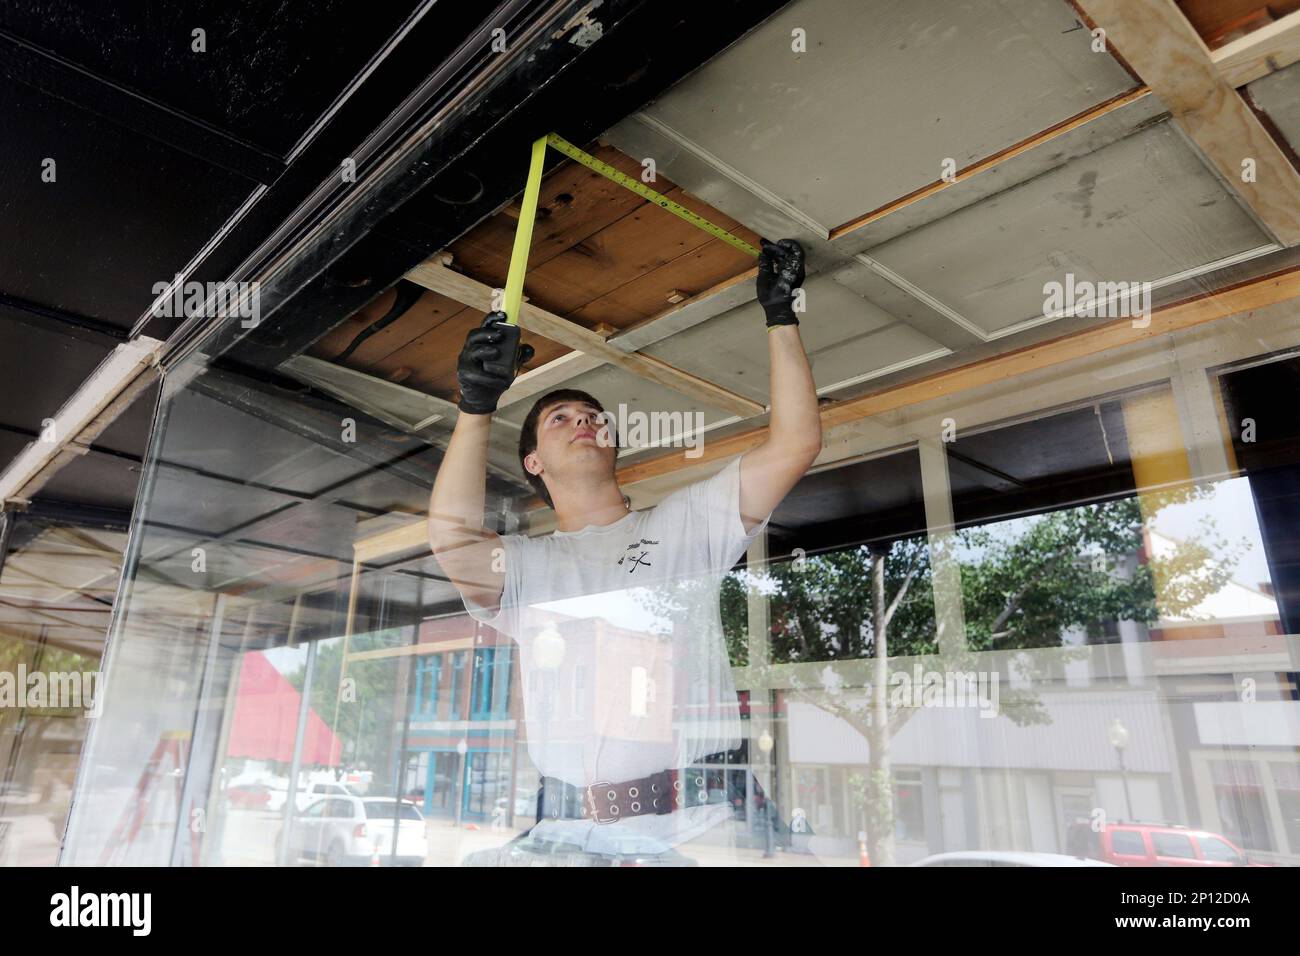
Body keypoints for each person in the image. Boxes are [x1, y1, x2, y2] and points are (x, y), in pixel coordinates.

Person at [429, 238, 820, 864]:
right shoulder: (526, 564)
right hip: (563, 834)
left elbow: (795, 441)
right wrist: (475, 407)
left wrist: (781, 314)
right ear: (532, 463)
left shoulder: (686, 524)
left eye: (593, 415)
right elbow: (450, 540)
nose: (584, 420)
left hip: (695, 829)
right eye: (561, 417)